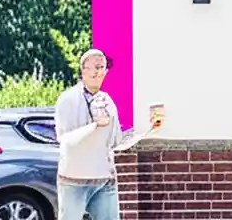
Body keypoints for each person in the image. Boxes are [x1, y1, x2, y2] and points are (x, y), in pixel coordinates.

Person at [54, 49, 164, 220]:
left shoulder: (107, 101)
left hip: (104, 180)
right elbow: (65, 140)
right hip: (74, 180)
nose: (98, 72)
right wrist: (95, 126)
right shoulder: (67, 100)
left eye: (102, 67)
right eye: (94, 67)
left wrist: (148, 130)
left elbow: (117, 142)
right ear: (83, 69)